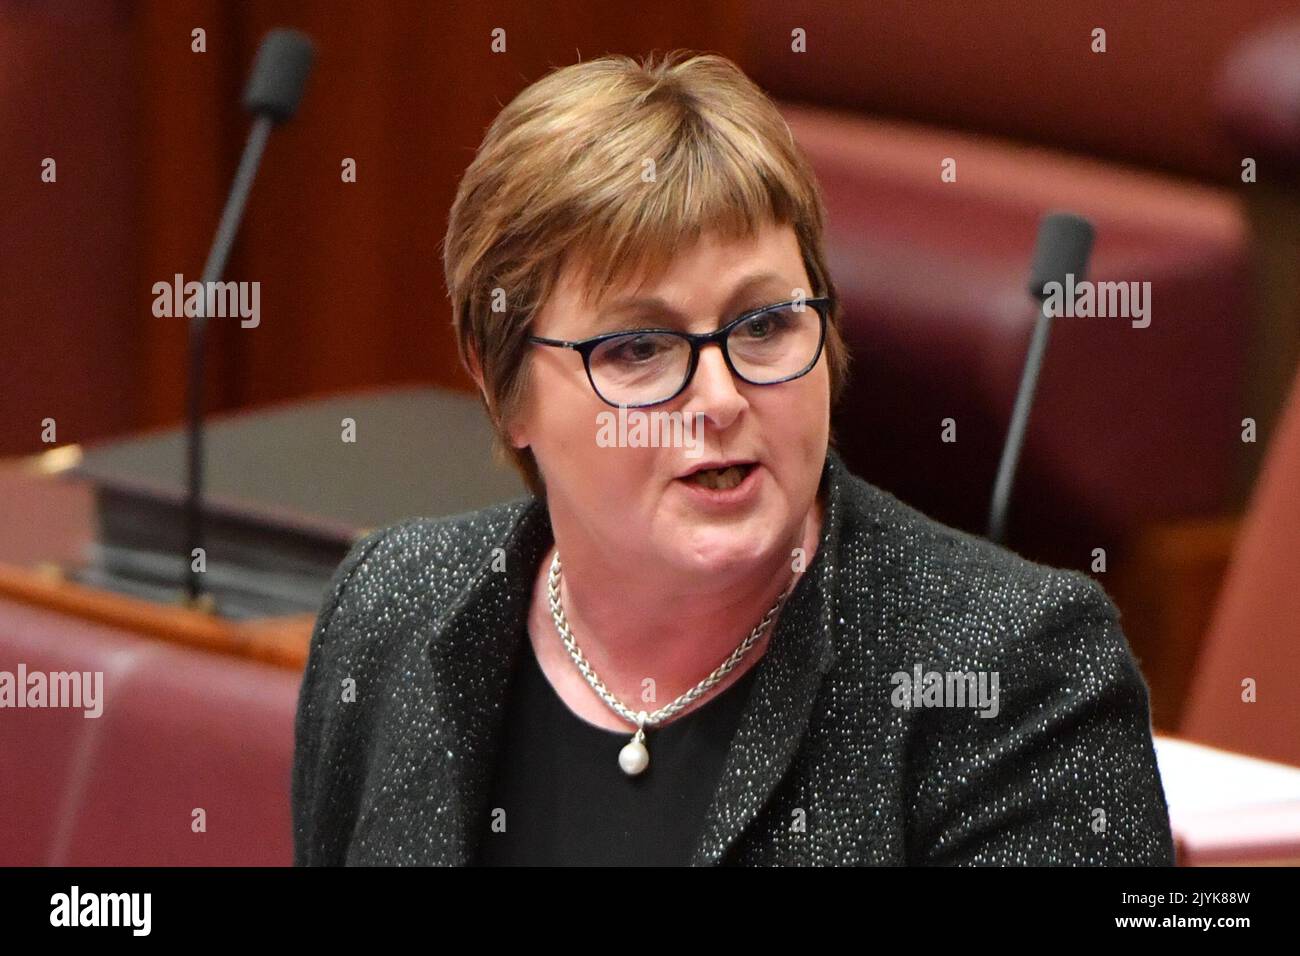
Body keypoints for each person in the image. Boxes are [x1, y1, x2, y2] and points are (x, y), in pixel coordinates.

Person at [292, 50, 1175, 866]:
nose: (719, 399)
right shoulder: (393, 609)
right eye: (639, 347)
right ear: (502, 385)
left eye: (764, 326)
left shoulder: (1010, 675)